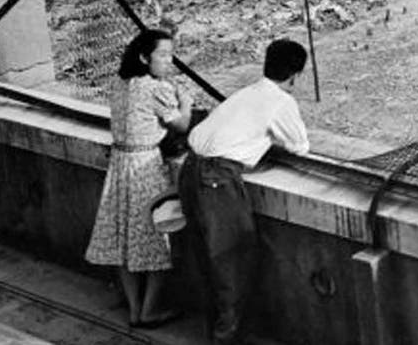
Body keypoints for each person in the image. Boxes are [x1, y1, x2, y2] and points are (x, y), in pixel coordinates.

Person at [179, 38, 311, 345]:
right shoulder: (282, 101)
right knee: (232, 261)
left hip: (190, 168)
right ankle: (226, 339)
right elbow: (300, 146)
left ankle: (215, 333)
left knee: (206, 261)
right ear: (294, 75)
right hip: (218, 178)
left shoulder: (245, 92)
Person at [85, 27, 192, 328]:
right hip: (145, 165)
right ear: (146, 57)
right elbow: (182, 125)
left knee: (124, 241)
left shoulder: (119, 82)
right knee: (159, 236)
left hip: (119, 164)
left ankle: (134, 309)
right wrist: (185, 101)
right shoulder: (157, 88)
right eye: (163, 55)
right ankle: (149, 310)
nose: (169, 61)